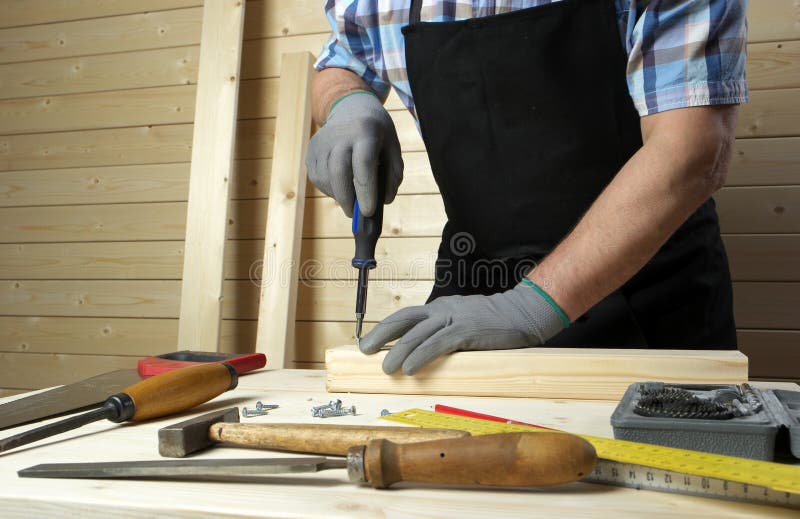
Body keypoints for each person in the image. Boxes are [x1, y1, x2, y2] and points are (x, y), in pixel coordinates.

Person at [306, 0, 748, 376]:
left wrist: (528, 309)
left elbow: (691, 152)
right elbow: (343, 60)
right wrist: (347, 102)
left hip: (650, 296)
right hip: (472, 293)